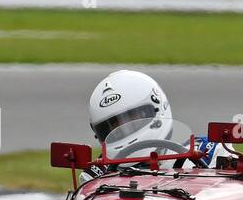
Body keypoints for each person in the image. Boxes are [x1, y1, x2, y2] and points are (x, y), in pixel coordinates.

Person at [86, 69, 225, 169]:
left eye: (132, 120)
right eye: (113, 129)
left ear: (157, 108)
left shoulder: (207, 154)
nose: (123, 130)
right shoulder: (96, 175)